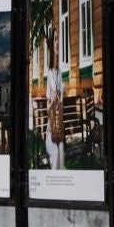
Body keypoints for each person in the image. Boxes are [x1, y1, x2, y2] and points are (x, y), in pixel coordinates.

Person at [44, 31, 65, 170]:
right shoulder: (50, 72)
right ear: (52, 45)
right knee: (56, 153)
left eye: (59, 39)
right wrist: (52, 101)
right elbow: (47, 109)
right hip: (51, 128)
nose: (58, 42)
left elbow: (61, 99)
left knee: (62, 149)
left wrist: (61, 95)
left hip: (59, 125)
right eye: (56, 39)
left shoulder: (60, 72)